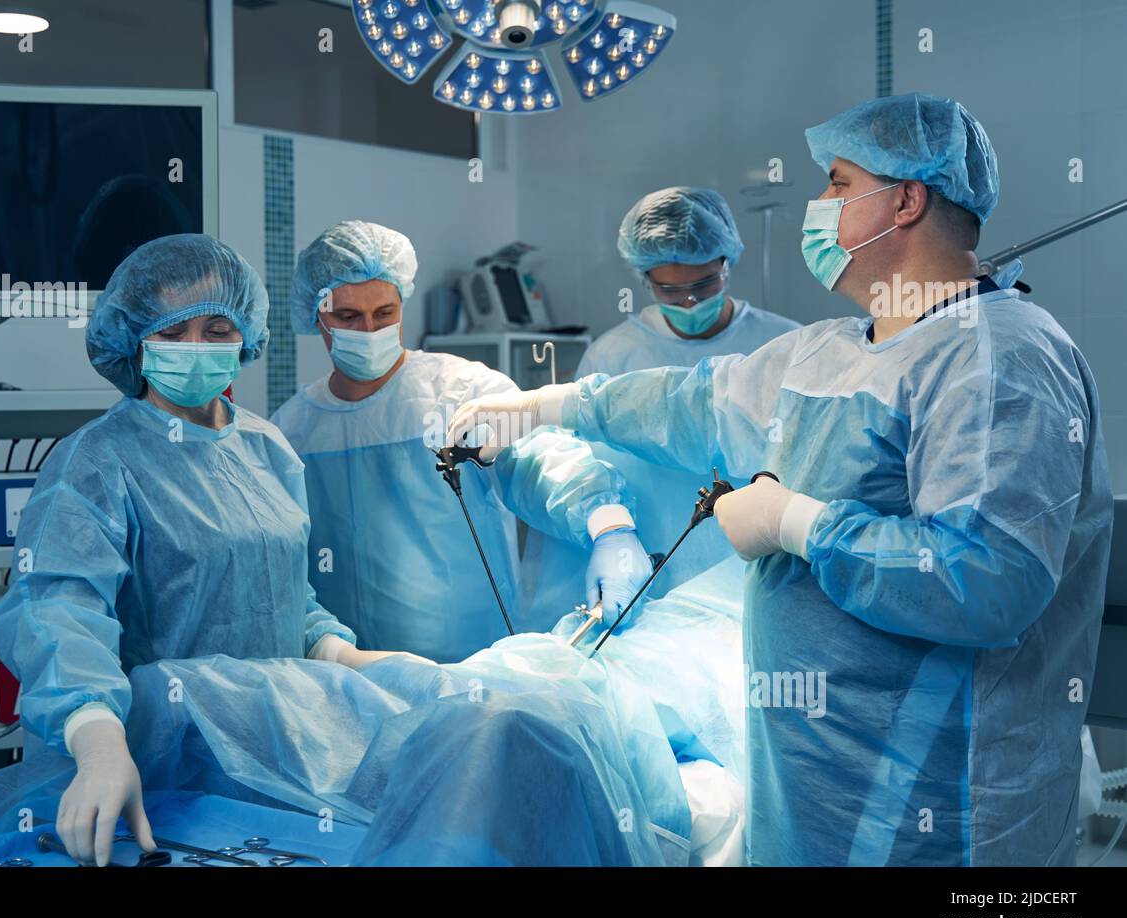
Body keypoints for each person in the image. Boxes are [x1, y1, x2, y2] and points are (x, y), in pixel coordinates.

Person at [448, 93, 1113, 866]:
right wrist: (546, 405)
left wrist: (796, 523)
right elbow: (691, 400)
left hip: (941, 809)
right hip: (814, 793)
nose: (819, 206)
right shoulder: (829, 351)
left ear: (904, 200)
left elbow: (992, 579)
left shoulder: (1000, 358)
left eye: (836, 182)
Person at [0, 233, 411, 867]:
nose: (197, 348)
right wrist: (98, 741)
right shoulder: (95, 462)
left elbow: (287, 595)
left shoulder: (269, 449)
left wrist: (343, 653)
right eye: (174, 330)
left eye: (217, 329)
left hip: (273, 760)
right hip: (146, 773)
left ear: (246, 336)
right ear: (136, 340)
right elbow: (56, 612)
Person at [271, 220, 651, 664]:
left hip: (470, 664)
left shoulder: (461, 391)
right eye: (348, 317)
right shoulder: (293, 429)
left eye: (385, 313)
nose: (370, 329)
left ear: (402, 305)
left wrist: (610, 525)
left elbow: (543, 462)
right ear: (318, 317)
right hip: (347, 672)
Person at [572, 187, 799, 597]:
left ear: (726, 263)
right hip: (652, 564)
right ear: (645, 278)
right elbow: (589, 471)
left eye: (705, 283)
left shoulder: (783, 344)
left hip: (758, 574)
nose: (691, 301)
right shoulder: (612, 355)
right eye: (671, 291)